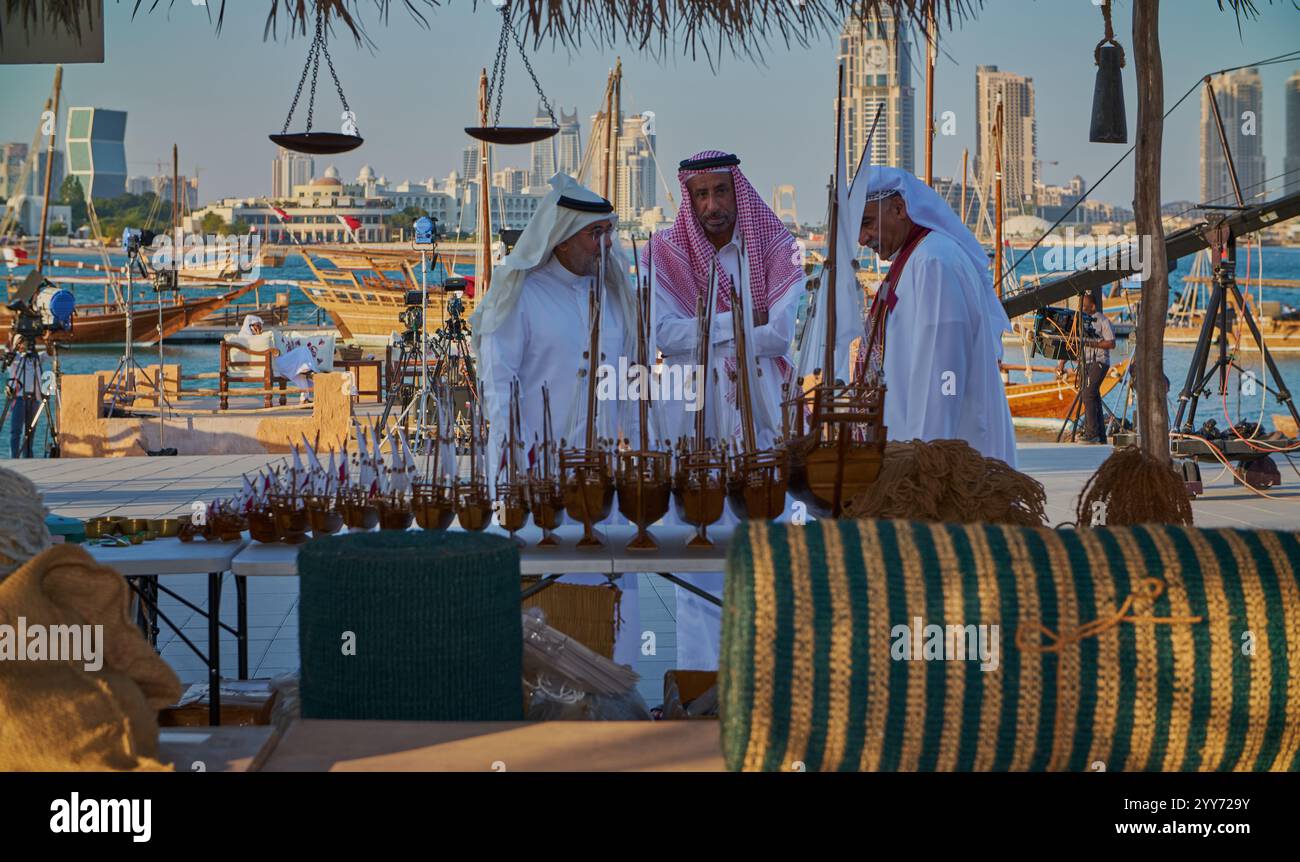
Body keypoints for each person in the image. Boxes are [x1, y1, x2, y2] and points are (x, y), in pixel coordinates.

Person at [471, 173, 642, 669]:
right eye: (594, 234)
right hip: (537, 478)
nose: (604, 244)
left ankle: (613, 696)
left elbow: (629, 382)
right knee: (541, 604)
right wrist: (510, 474)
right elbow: (498, 388)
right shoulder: (521, 295)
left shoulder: (614, 296)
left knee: (611, 601)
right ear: (562, 237)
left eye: (608, 232)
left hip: (604, 480)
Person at [643, 150, 803, 671]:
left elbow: (780, 335)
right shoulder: (664, 252)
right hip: (691, 419)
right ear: (688, 198)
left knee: (767, 549)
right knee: (696, 548)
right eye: (700, 194)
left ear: (738, 191)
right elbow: (663, 334)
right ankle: (700, 685)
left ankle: (767, 679)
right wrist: (742, 321)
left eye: (720, 191)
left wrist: (707, 328)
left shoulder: (776, 247)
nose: (711, 204)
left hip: (761, 416)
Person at [854, 167, 1017, 467]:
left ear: (899, 208)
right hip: (914, 457)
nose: (862, 239)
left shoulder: (934, 263)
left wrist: (924, 467)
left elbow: (941, 378)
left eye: (867, 223)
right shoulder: (914, 260)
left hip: (941, 470)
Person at [1057, 292, 1115, 444]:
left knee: (1088, 394)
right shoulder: (1080, 321)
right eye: (1080, 306)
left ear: (1093, 306)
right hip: (1085, 363)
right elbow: (1073, 343)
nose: (1081, 308)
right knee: (1093, 396)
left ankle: (1092, 433)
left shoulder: (1102, 320)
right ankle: (1101, 436)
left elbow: (1111, 343)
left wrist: (1091, 343)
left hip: (1100, 362)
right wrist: (1062, 363)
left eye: (1084, 306)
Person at [238, 315, 317, 405]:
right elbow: (273, 353)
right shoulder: (258, 339)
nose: (260, 328)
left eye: (261, 326)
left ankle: (304, 398)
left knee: (299, 370)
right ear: (250, 326)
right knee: (302, 351)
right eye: (258, 326)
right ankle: (311, 371)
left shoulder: (243, 338)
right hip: (274, 365)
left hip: (272, 364)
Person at [4, 334, 41, 458]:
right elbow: (7, 356)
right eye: (19, 342)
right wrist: (13, 344)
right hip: (18, 399)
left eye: (24, 341)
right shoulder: (14, 358)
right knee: (16, 431)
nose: (22, 344)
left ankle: (28, 457)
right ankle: (14, 458)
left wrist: (47, 339)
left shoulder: (34, 358)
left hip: (34, 399)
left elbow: (49, 354)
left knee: (30, 432)